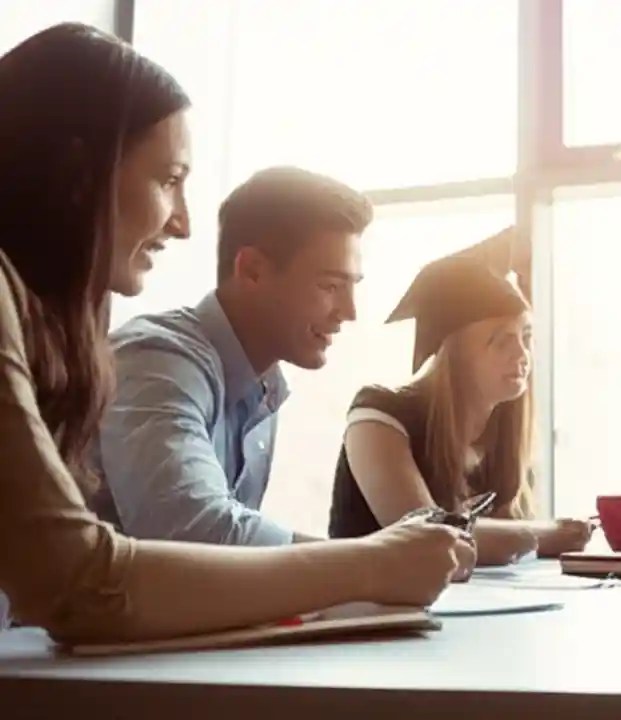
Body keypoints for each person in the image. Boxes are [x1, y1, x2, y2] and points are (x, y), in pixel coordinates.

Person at [0, 23, 468, 644]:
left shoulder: (253, 385)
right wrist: (372, 563)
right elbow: (86, 579)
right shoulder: (157, 356)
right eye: (168, 180)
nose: (184, 223)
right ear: (78, 175)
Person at [91, 167, 371, 544]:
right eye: (330, 286)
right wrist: (368, 562)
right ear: (252, 271)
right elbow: (198, 532)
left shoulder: (262, 385)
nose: (349, 311)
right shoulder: (156, 359)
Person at [329, 227, 593, 564]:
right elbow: (425, 535)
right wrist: (540, 534)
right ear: (454, 354)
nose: (522, 354)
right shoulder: (377, 418)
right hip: (369, 612)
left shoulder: (502, 435)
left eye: (525, 336)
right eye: (500, 341)